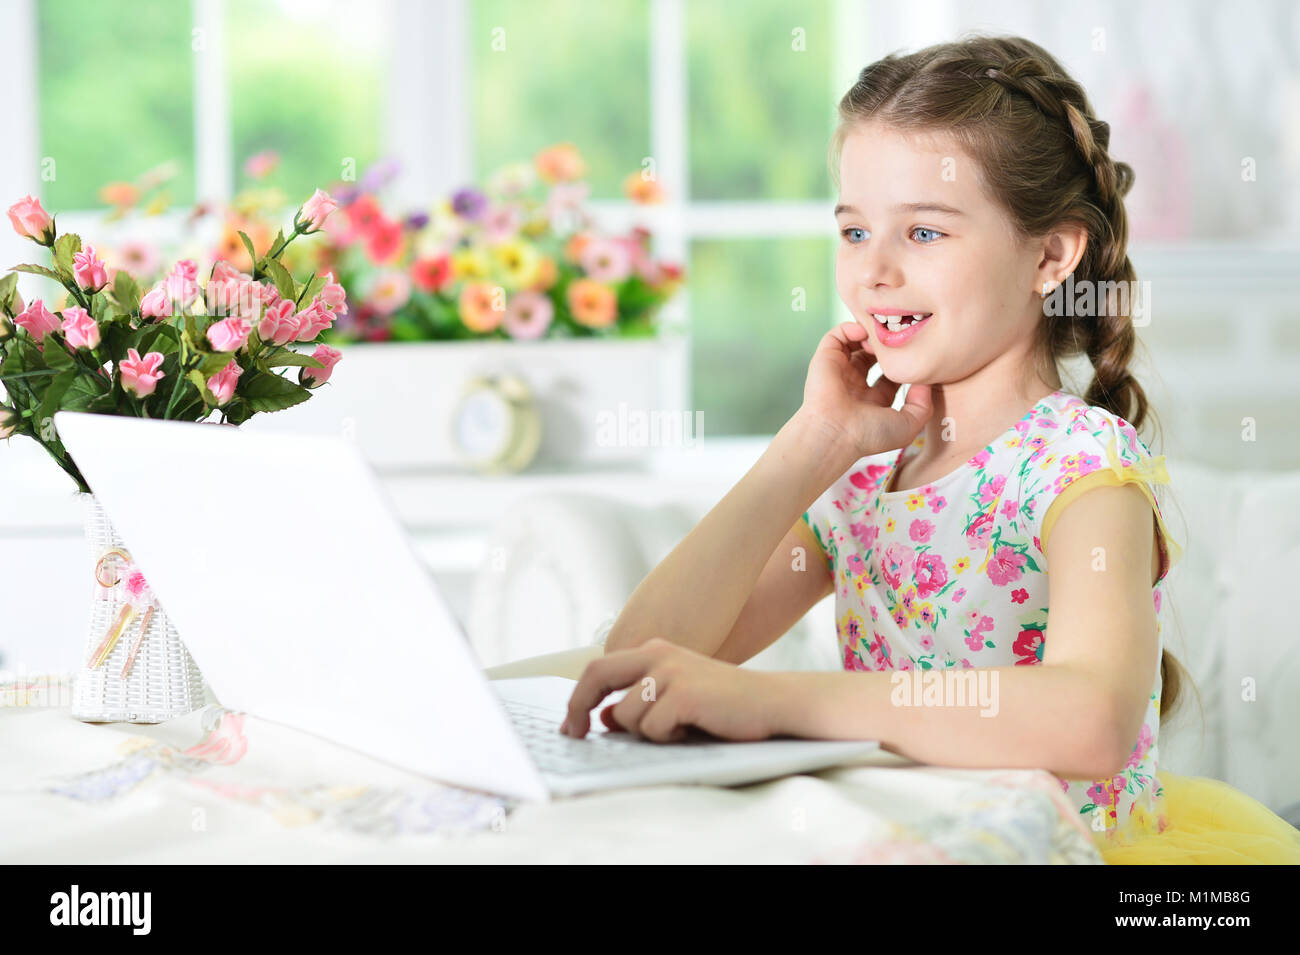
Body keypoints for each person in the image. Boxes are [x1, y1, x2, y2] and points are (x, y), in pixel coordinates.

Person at [535, 34, 1299, 863]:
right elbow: (646, 655)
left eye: (924, 234)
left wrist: (782, 699)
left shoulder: (1080, 463)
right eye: (855, 231)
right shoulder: (862, 473)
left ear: (1050, 255)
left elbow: (1092, 719)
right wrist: (811, 442)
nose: (874, 271)